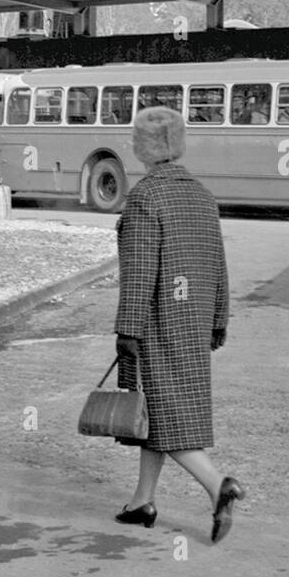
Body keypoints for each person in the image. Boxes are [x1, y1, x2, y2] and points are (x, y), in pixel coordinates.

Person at [113, 106, 244, 544]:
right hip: (194, 318)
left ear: (140, 148)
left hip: (156, 321)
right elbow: (218, 264)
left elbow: (139, 269)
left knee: (167, 414)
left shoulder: (146, 197)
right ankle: (141, 502)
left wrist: (128, 327)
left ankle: (217, 485)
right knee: (162, 409)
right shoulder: (202, 196)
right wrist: (219, 318)